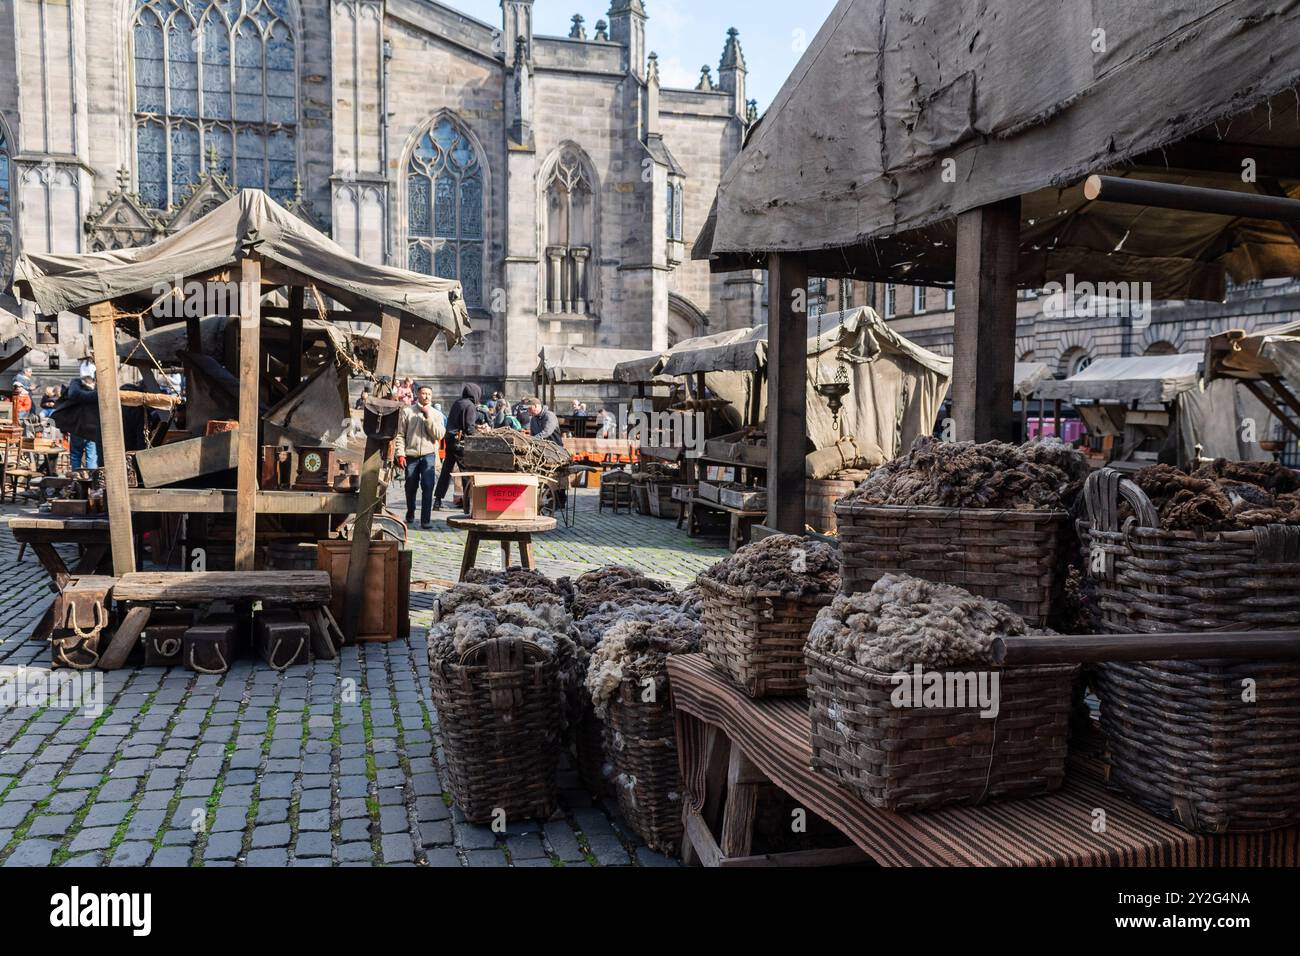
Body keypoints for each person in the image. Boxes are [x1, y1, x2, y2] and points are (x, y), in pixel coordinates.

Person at [395, 385, 446, 529]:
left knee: (428, 486)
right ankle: (410, 512)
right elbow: (400, 435)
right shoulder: (407, 412)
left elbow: (439, 435)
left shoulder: (436, 414)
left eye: (429, 394)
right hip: (411, 455)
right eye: (424, 393)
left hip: (429, 455)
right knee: (410, 486)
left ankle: (426, 519)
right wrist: (400, 453)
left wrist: (428, 418)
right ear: (418, 394)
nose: (426, 396)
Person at [433, 383, 486, 510]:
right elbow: (469, 428)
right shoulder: (470, 406)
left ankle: (438, 500)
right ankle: (467, 504)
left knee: (446, 471)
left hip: (450, 440)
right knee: (465, 473)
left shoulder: (457, 402)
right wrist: (479, 433)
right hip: (460, 443)